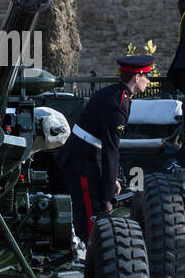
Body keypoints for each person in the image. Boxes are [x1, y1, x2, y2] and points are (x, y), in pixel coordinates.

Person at [57, 56, 151, 241]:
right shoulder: (117, 103)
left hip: (87, 155)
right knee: (92, 220)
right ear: (136, 77)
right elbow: (110, 148)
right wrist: (109, 189)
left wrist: (111, 179)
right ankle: (92, 262)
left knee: (93, 213)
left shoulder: (116, 94)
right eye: (147, 76)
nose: (149, 81)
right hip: (83, 161)